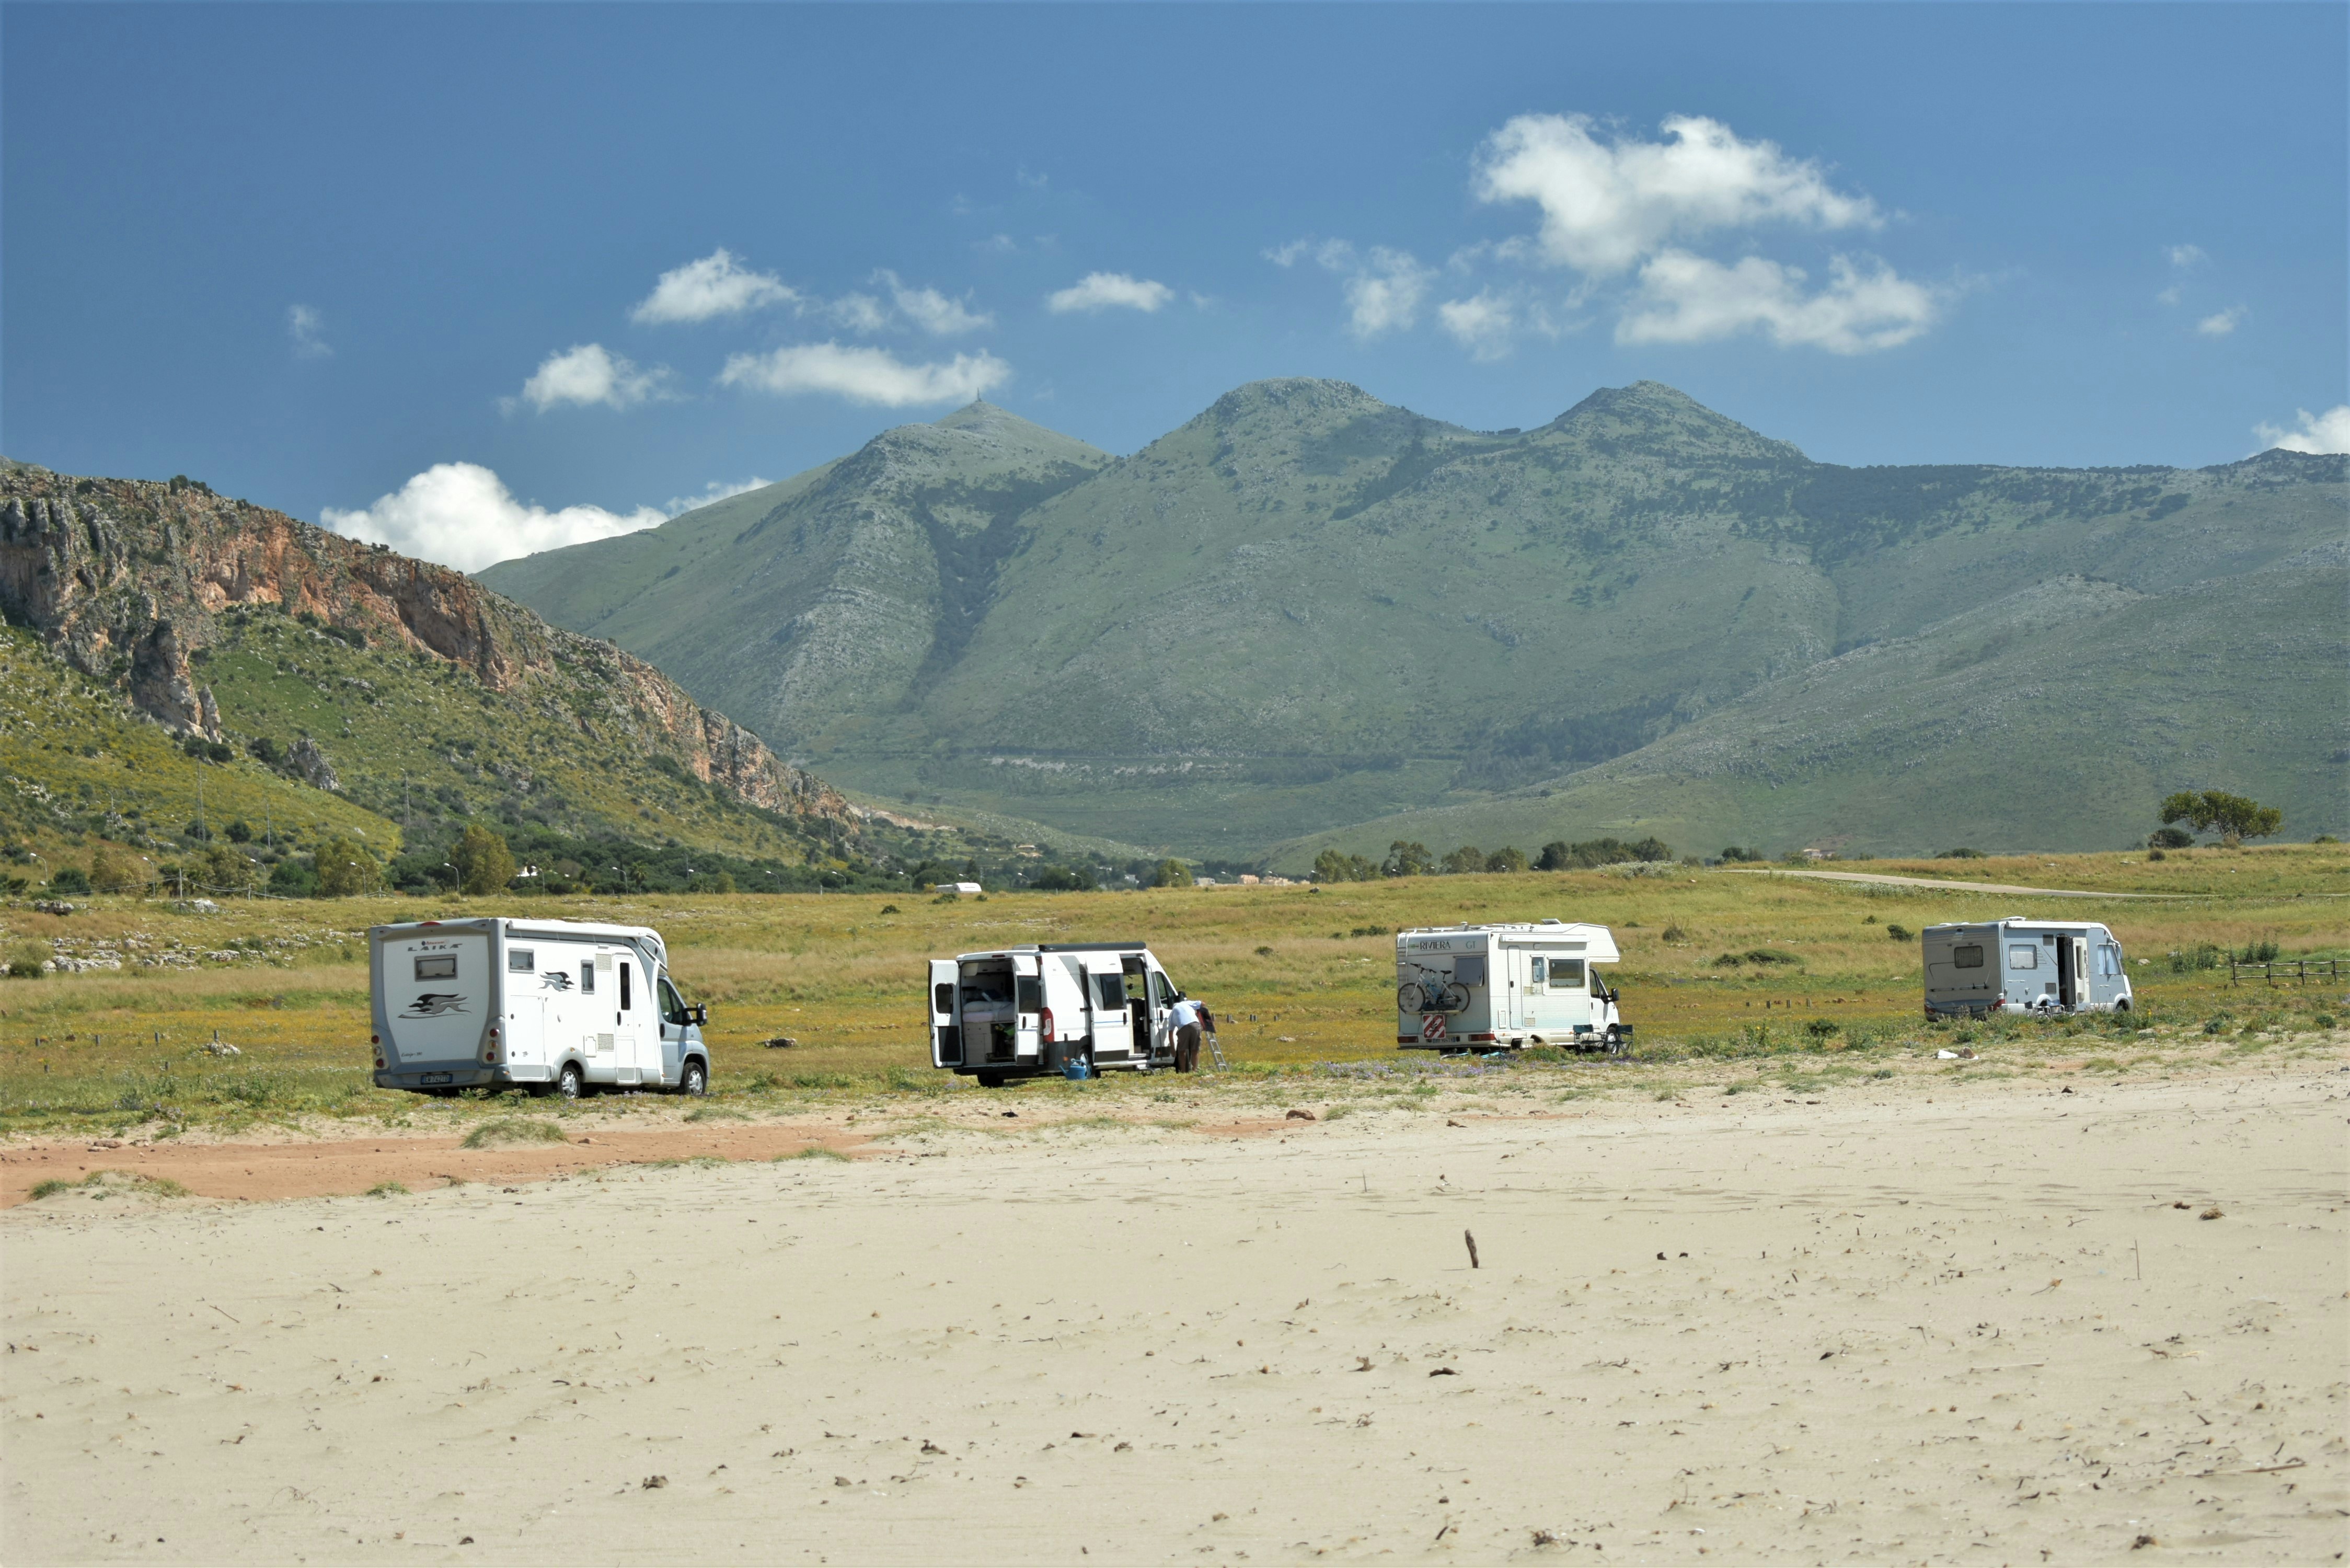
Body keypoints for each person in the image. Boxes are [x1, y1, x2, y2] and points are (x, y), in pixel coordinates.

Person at [1168, 991, 1203, 1073]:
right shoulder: (1188, 1003)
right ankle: (1195, 1071)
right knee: (1195, 1050)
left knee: (1182, 1051)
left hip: (1183, 1028)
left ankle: (1184, 1072)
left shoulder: (1173, 1012)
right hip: (1196, 1025)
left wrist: (1173, 1049)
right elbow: (1202, 1004)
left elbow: (1170, 1033)